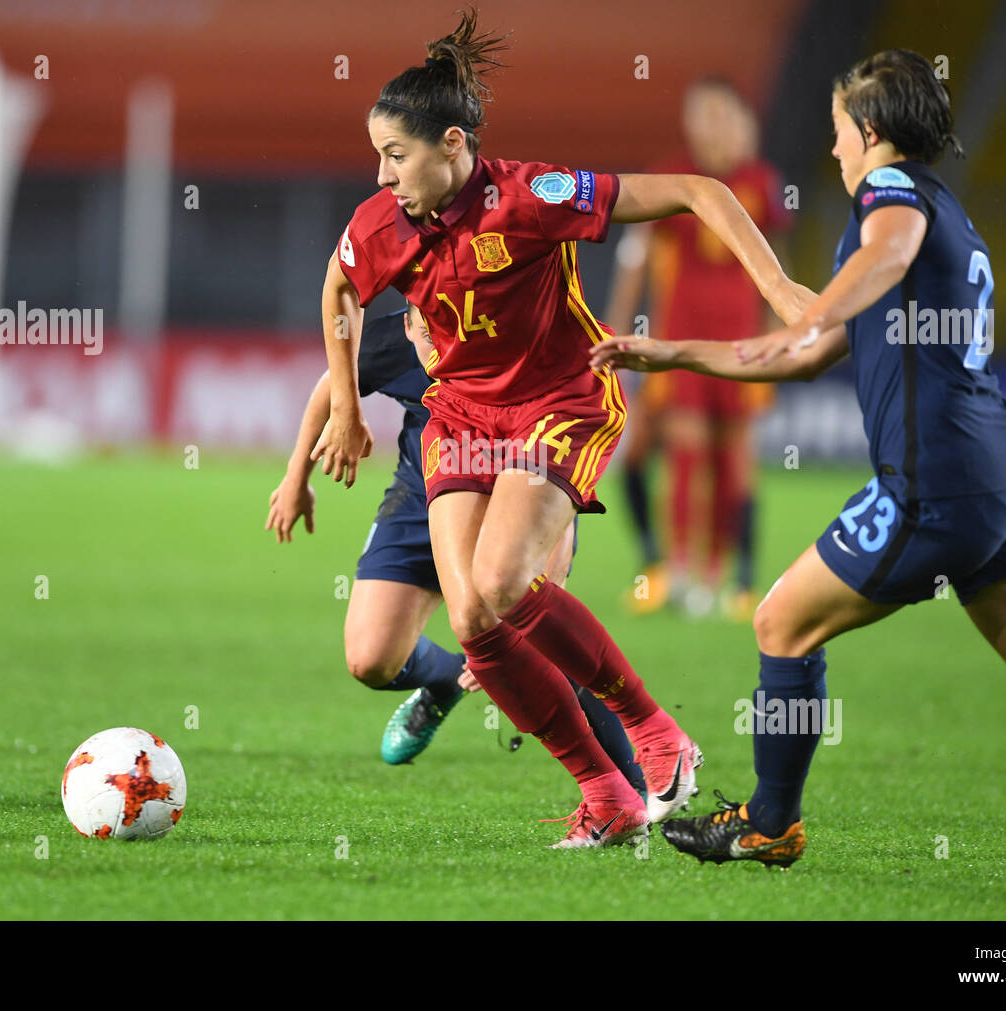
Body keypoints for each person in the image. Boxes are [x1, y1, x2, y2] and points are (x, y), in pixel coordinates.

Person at [590, 48, 1006, 868]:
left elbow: (878, 258)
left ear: (872, 129)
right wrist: (670, 354)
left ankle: (769, 821)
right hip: (1004, 470)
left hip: (939, 479)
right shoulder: (947, 210)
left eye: (842, 131)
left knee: (781, 619)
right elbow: (807, 352)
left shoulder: (892, 195)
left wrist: (819, 305)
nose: (837, 148)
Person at [313, 10, 807, 848]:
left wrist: (784, 290)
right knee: (471, 617)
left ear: (455, 145)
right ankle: (606, 794)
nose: (382, 173)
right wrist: (348, 405)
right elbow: (339, 291)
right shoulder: (381, 224)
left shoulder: (533, 196)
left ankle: (657, 731)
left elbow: (699, 192)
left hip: (558, 401)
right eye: (378, 155)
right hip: (463, 412)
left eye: (396, 155)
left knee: (504, 581)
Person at [267, 303, 646, 797]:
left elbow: (559, 462)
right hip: (421, 499)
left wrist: (529, 607)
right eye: (426, 334)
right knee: (370, 659)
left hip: (519, 504)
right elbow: (331, 386)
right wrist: (297, 477)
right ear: (408, 325)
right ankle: (446, 679)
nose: (437, 347)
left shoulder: (518, 344)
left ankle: (635, 787)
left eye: (444, 333)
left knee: (544, 647)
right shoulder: (392, 341)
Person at [606, 79, 790, 620]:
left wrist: (782, 335)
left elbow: (777, 267)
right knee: (681, 447)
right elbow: (635, 256)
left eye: (721, 115)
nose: (711, 126)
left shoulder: (761, 183)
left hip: (741, 343)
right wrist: (618, 326)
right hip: (680, 341)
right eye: (700, 115)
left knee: (733, 458)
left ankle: (731, 580)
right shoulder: (668, 177)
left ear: (742, 122)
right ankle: (676, 571)